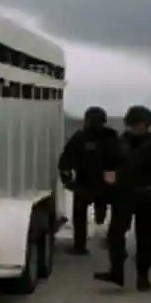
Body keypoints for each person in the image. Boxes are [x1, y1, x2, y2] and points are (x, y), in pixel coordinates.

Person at [94, 105, 151, 292]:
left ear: (147, 125)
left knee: (144, 238)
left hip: (147, 196)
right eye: (135, 124)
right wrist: (103, 195)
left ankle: (142, 277)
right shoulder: (118, 143)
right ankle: (117, 272)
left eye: (141, 124)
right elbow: (106, 169)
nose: (138, 128)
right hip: (124, 196)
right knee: (115, 235)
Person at [58, 106, 122, 254]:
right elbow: (66, 158)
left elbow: (121, 159)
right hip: (85, 180)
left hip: (106, 180)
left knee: (115, 211)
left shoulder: (110, 137)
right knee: (80, 213)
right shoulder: (80, 137)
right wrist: (67, 177)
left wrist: (118, 177)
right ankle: (80, 245)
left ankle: (111, 238)